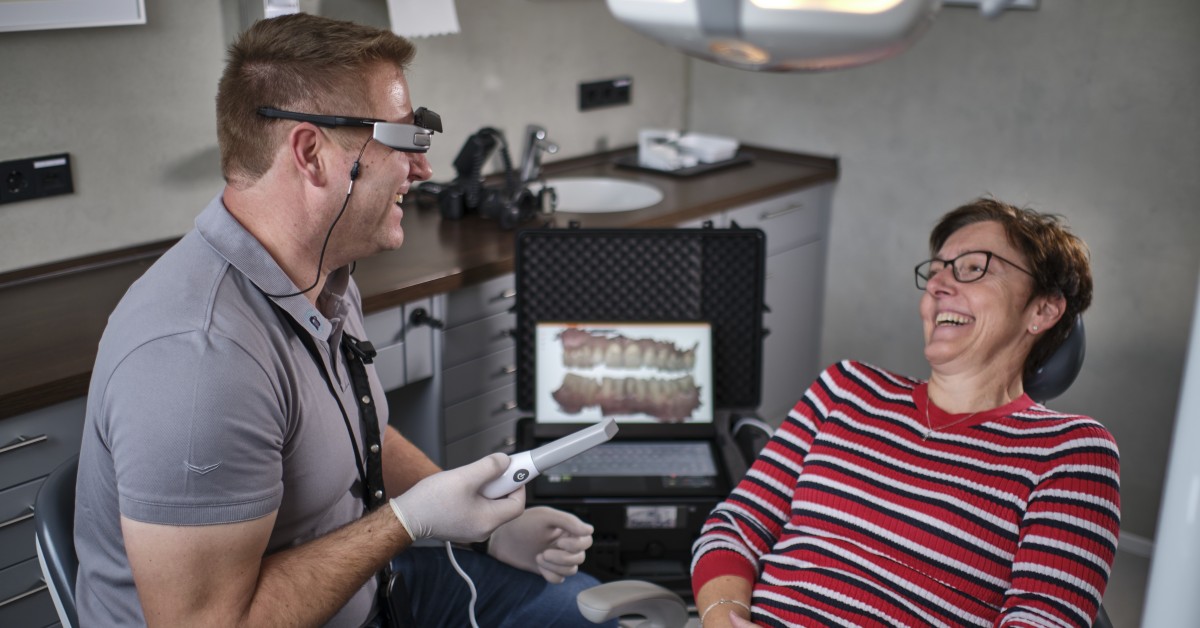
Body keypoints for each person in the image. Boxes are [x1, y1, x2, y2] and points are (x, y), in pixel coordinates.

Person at [74, 13, 610, 627]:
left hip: (368, 589)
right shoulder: (200, 362)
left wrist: (484, 528)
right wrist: (411, 520)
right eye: (402, 139)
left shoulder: (319, 271)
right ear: (312, 154)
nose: (423, 170)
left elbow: (354, 432)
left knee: (586, 611)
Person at [691, 198, 1120, 627]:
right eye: (935, 272)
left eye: (973, 268)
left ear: (1042, 309)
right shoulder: (845, 388)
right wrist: (722, 618)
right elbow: (736, 526)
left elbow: (1043, 620)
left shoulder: (1072, 451)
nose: (938, 285)